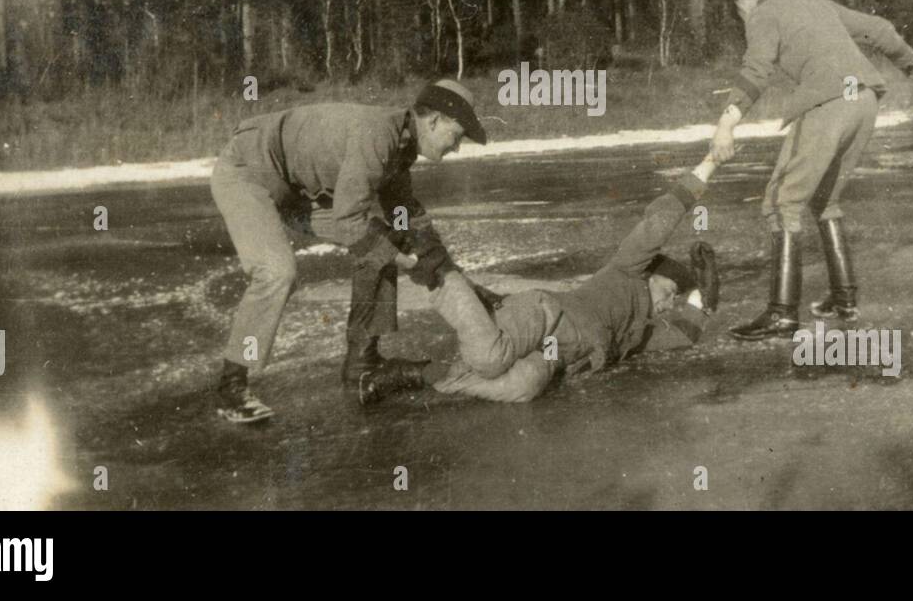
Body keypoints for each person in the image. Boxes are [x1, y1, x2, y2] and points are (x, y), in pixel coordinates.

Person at [209, 80, 487, 423]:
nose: (456, 148)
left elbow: (407, 220)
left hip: (296, 191)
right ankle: (231, 386)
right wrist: (399, 259)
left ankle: (362, 366)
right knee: (278, 271)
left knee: (383, 241)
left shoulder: (401, 147)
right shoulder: (378, 136)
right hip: (246, 173)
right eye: (457, 136)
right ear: (433, 122)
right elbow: (350, 220)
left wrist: (462, 284)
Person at [358, 157, 723, 405]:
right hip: (544, 315)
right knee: (489, 359)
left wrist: (706, 297)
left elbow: (681, 337)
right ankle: (426, 258)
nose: (669, 304)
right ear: (651, 275)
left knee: (525, 386)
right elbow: (655, 225)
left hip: (551, 357)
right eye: (670, 291)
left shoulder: (638, 334)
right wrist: (706, 169)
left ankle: (412, 372)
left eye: (675, 300)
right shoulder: (627, 270)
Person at [708, 0, 913, 341]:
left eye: (736, 11)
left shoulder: (762, 15)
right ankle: (844, 300)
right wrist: (908, 61)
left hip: (829, 102)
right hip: (864, 98)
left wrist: (726, 124)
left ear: (742, 2)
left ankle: (781, 314)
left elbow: (756, 71)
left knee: (781, 202)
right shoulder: (812, 1)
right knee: (825, 199)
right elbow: (880, 29)